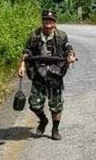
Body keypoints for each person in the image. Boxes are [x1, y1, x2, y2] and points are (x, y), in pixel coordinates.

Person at [18, 9, 77, 140]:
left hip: (55, 74)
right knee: (34, 104)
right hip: (38, 74)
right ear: (42, 21)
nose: (48, 24)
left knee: (56, 105)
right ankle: (43, 121)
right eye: (46, 21)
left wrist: (70, 56)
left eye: (51, 21)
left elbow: (68, 48)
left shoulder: (61, 36)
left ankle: (55, 130)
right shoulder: (34, 35)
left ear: (55, 23)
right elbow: (26, 51)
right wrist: (22, 65)